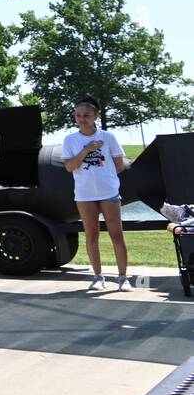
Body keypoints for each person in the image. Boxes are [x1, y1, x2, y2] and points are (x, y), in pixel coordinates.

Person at [62, 95, 129, 291]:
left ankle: (123, 278)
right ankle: (98, 277)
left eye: (86, 115)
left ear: (95, 117)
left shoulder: (108, 137)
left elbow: (119, 165)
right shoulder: (70, 140)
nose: (82, 119)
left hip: (109, 193)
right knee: (91, 236)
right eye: (78, 115)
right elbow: (70, 167)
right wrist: (86, 150)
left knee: (116, 234)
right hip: (84, 195)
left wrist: (105, 177)